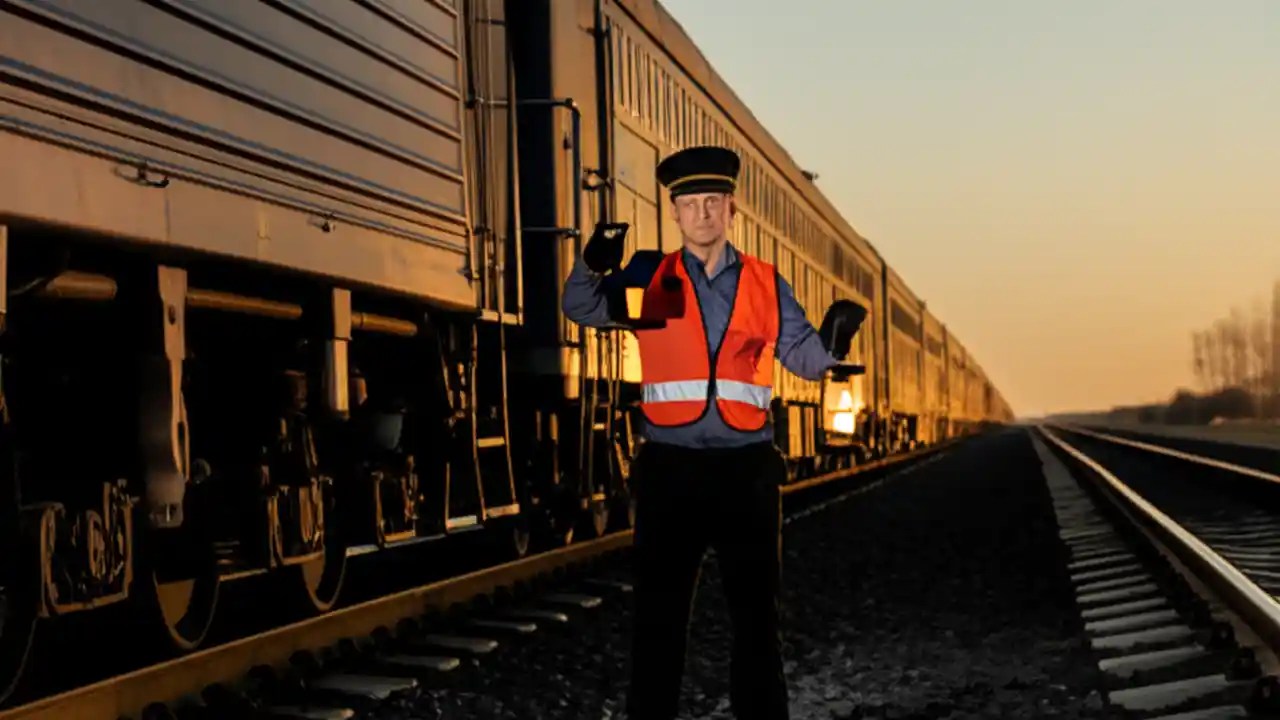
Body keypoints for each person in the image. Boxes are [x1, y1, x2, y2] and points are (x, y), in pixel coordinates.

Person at [561, 145, 849, 720]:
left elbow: (803, 357)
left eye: (712, 202)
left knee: (757, 624)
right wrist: (592, 264)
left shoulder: (766, 284)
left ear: (731, 209)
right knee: (658, 623)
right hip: (671, 470)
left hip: (746, 472)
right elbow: (581, 308)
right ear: (674, 213)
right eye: (690, 204)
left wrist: (835, 344)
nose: (702, 213)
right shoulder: (651, 276)